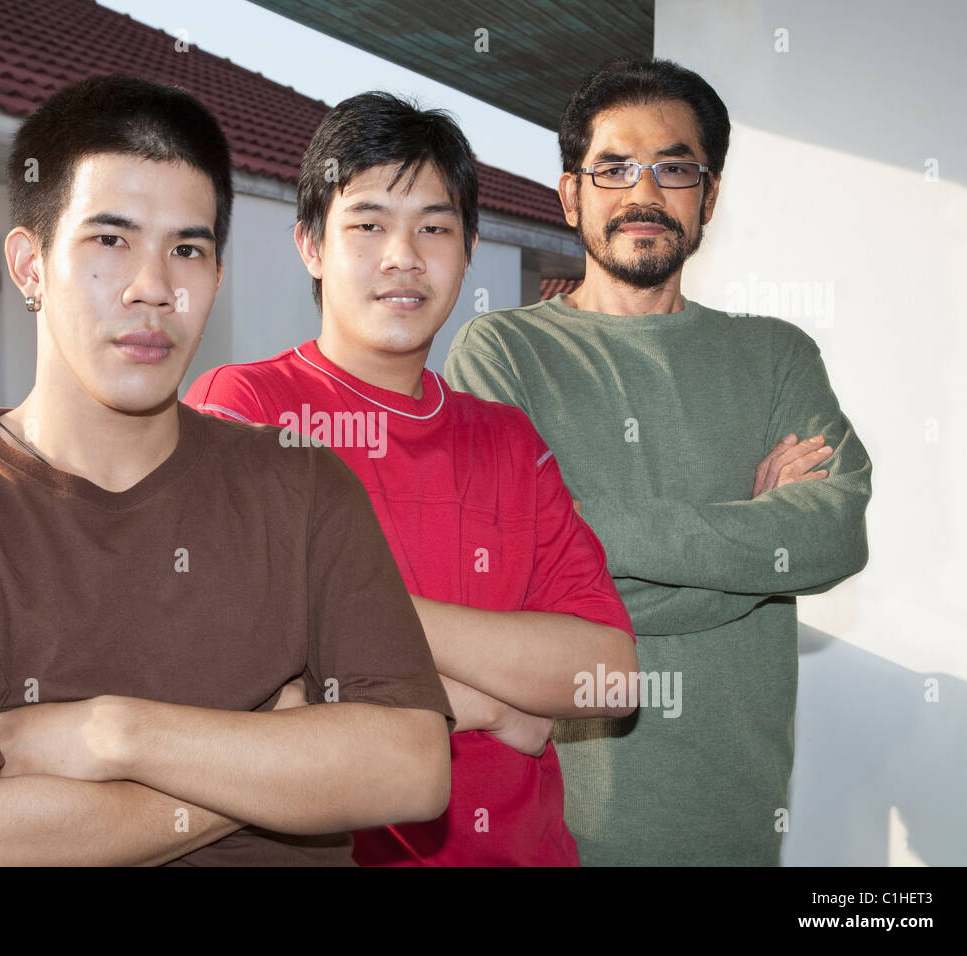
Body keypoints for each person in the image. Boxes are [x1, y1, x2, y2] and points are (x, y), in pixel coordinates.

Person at [0, 75, 454, 867]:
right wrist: (278, 751)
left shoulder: (302, 484)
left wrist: (115, 734)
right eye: (109, 240)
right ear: (30, 266)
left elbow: (410, 767)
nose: (153, 289)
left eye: (187, 249)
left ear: (217, 277)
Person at [185, 91, 637, 866]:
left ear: (466, 252)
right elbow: (232, 677)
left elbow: (608, 677)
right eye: (367, 225)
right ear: (312, 246)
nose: (404, 256)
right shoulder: (246, 408)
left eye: (434, 227)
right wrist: (490, 703)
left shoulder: (509, 442)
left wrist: (359, 611)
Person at [445, 58, 872, 865]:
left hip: (731, 824)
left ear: (708, 196)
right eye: (613, 168)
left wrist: (589, 562)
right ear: (571, 195)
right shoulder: (503, 350)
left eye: (675, 168)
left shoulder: (776, 354)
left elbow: (834, 536)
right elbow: (520, 571)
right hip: (547, 827)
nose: (643, 193)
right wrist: (752, 562)